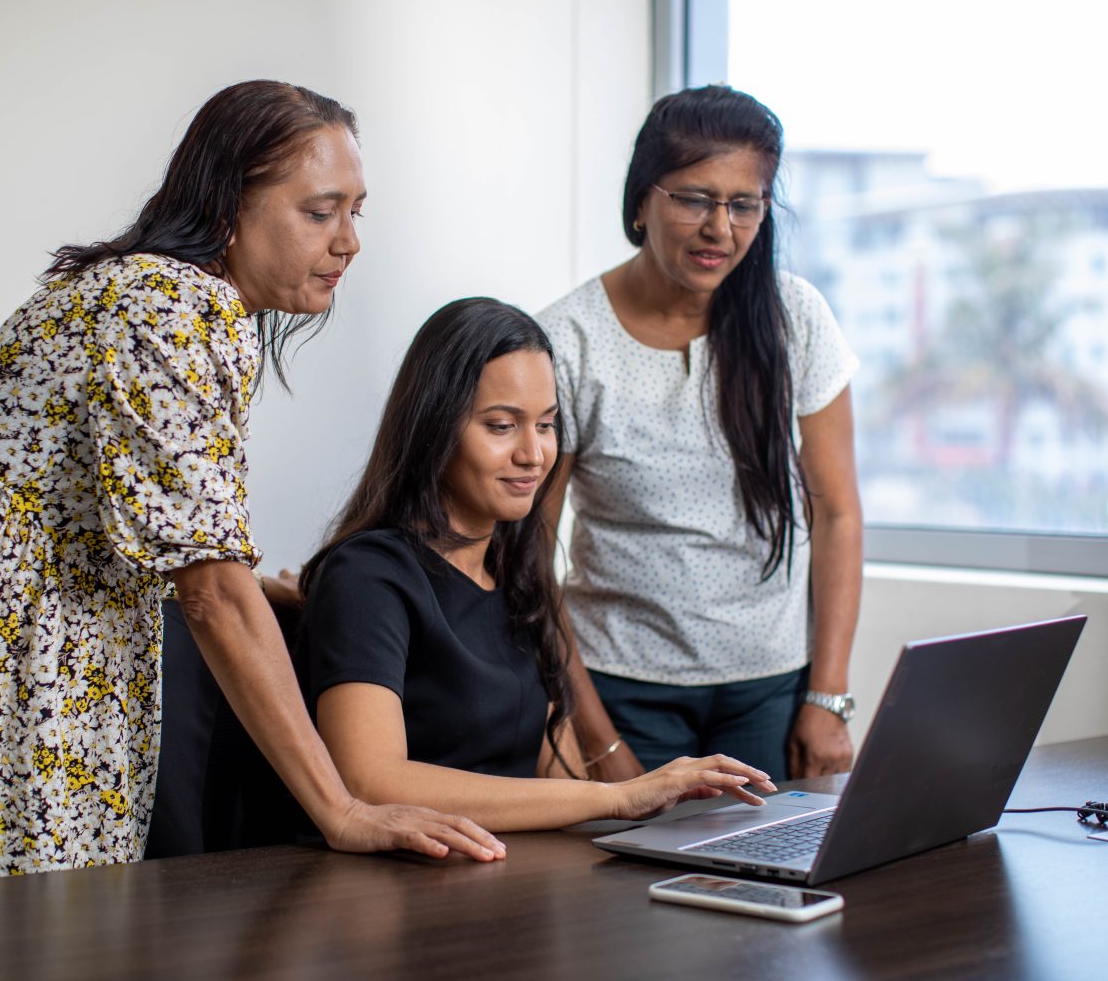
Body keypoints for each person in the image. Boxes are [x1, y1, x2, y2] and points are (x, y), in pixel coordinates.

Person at [0, 81, 504, 894]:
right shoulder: (172, 306)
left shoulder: (159, 295)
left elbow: (165, 532)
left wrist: (256, 590)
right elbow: (207, 587)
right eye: (319, 212)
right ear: (226, 206)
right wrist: (341, 809)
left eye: (357, 211)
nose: (348, 240)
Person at [293, 297, 777, 830]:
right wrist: (617, 797)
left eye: (545, 425)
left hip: (517, 871)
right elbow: (369, 781)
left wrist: (648, 819)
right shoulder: (368, 576)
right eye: (502, 426)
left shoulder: (516, 573)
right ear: (434, 428)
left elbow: (556, 773)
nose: (534, 454)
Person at [535, 85, 863, 783]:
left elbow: (838, 513)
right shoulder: (565, 341)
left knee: (767, 879)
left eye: (744, 204)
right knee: (629, 889)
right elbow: (529, 555)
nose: (720, 227)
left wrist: (827, 697)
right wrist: (597, 738)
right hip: (621, 685)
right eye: (693, 198)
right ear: (641, 199)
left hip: (773, 684)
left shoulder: (794, 318)